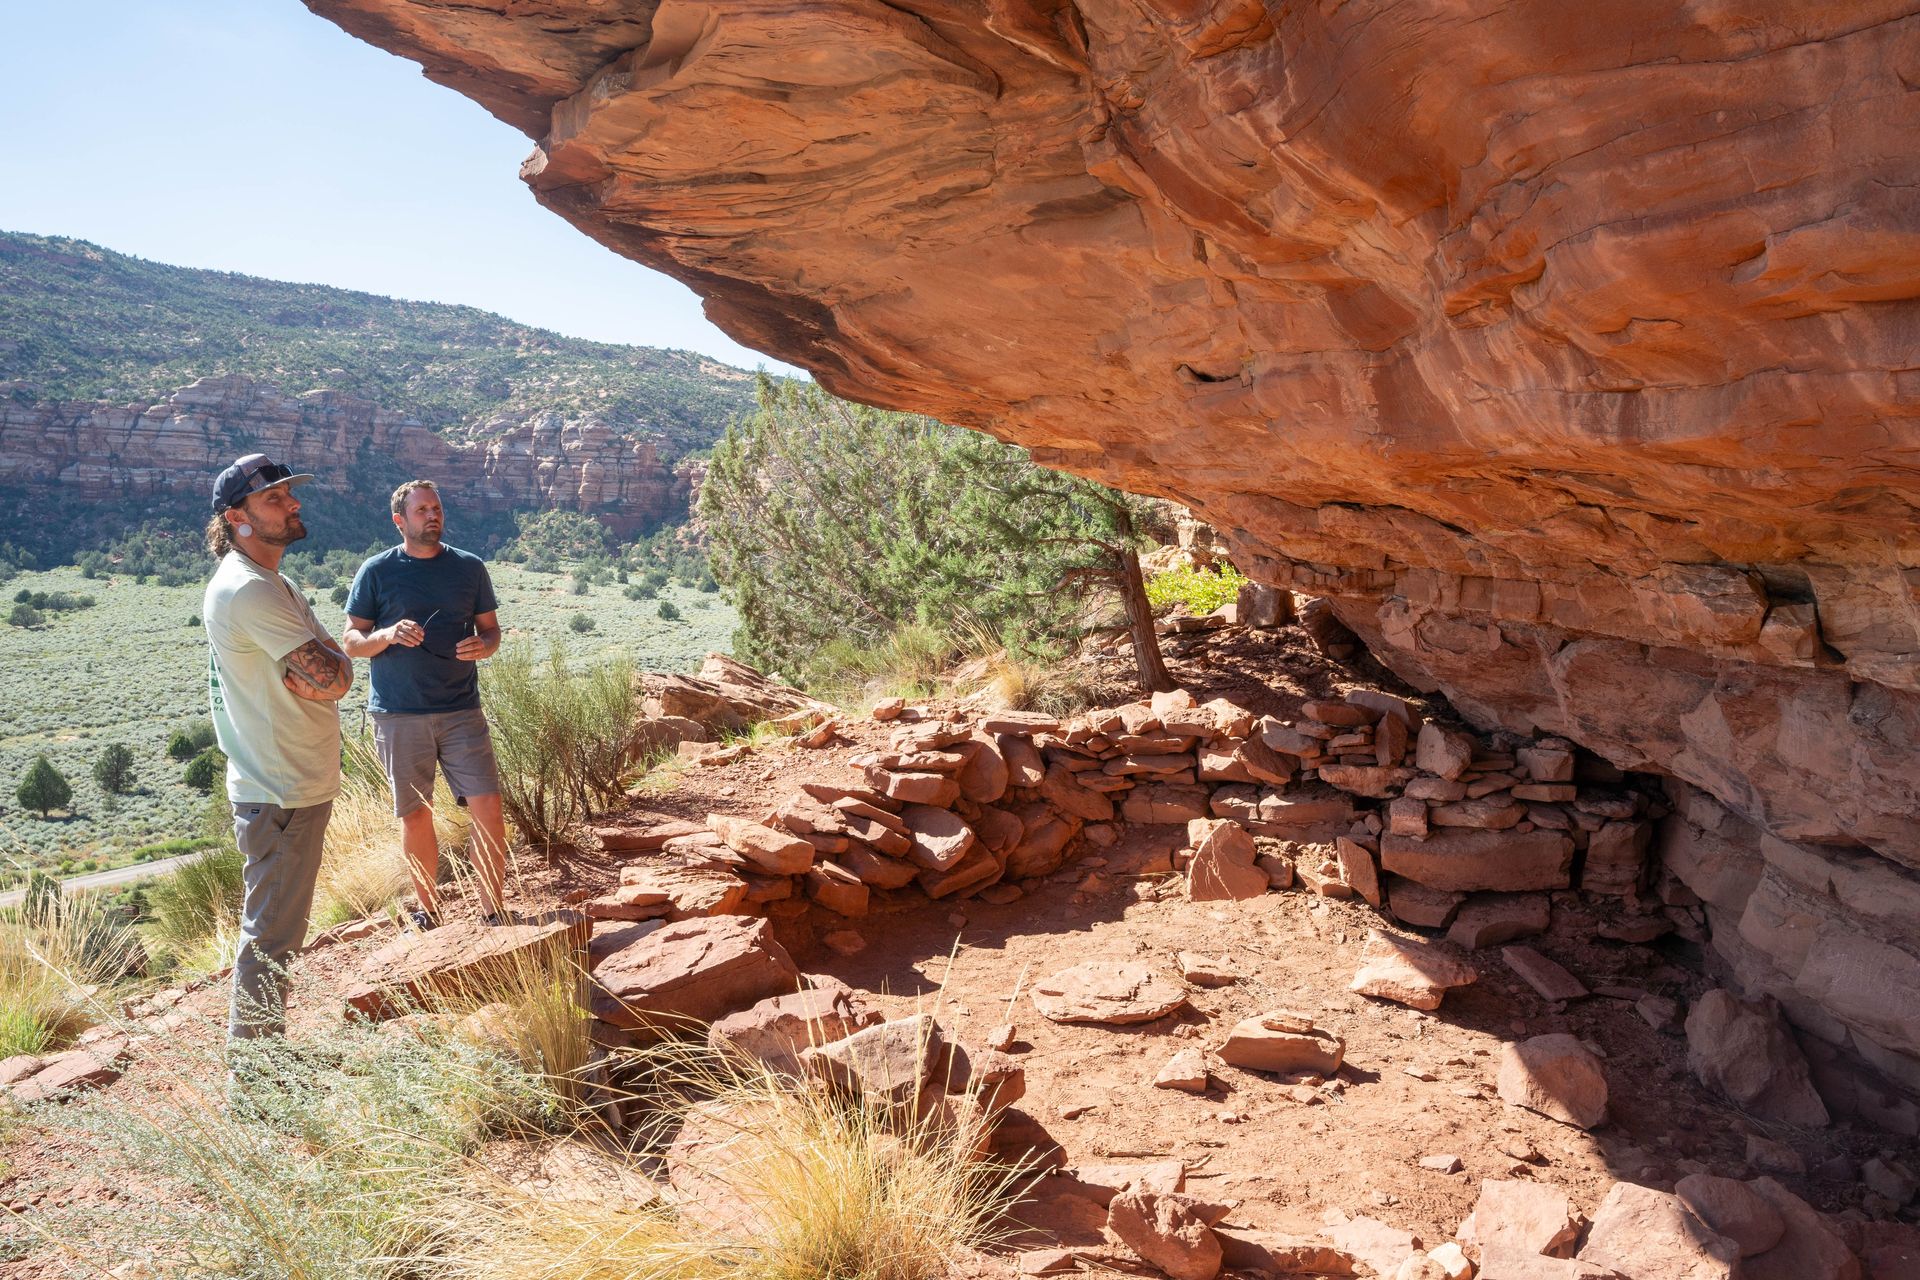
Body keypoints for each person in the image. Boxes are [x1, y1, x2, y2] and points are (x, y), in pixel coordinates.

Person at [201, 453, 352, 1042]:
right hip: (280, 787)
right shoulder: (248, 591)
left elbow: (329, 666)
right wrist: (329, 668)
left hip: (287, 782)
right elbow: (336, 677)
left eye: (290, 494)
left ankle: (263, 1061)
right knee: (272, 935)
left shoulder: (269, 580)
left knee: (278, 929)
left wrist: (327, 665)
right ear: (237, 517)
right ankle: (259, 1078)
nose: (292, 504)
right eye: (274, 498)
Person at [344, 479, 509, 928]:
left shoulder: (469, 568)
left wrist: (485, 646)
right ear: (399, 521)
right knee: (416, 815)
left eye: (436, 508)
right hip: (399, 713)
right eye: (421, 510)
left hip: (461, 710)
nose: (432, 515)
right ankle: (428, 912)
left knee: (488, 807)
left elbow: (491, 630)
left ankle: (493, 912)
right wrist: (388, 634)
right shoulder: (376, 571)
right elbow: (352, 641)